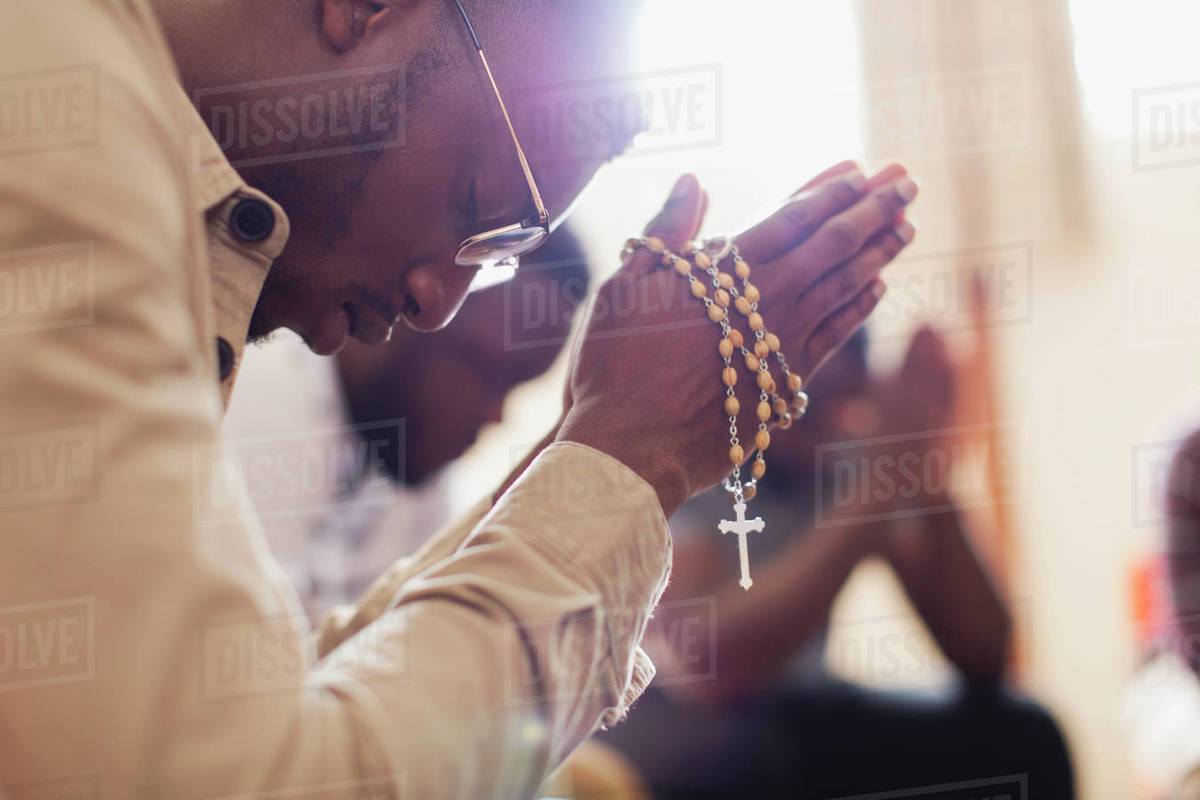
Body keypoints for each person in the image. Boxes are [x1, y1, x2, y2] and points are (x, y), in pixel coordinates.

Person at [0, 0, 919, 795]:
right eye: (478, 207)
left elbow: (250, 711)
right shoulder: (60, 123)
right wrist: (631, 462)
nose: (438, 304)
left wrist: (598, 447)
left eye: (498, 259)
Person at [600, 326, 1075, 800]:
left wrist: (927, 473)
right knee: (754, 753)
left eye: (842, 408)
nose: (825, 431)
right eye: (805, 413)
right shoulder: (691, 468)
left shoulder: (840, 464)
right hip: (664, 721)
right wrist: (878, 488)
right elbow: (709, 666)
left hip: (797, 716)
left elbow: (986, 654)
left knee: (1027, 736)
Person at [223, 226, 590, 617]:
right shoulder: (239, 398)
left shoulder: (423, 489)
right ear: (421, 302)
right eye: (489, 372)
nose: (496, 415)